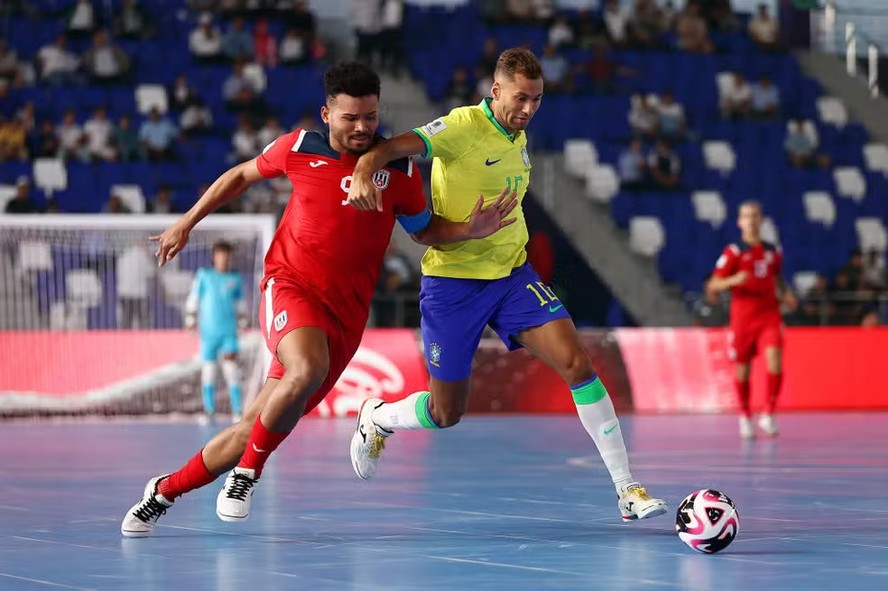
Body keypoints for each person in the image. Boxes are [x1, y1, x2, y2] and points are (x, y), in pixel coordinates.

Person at [120, 61, 517, 537]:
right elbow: (241, 175)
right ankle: (247, 475)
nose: (362, 127)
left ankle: (162, 492)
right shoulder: (298, 147)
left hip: (346, 318)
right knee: (304, 371)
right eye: (350, 117)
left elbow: (422, 231)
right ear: (326, 114)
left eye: (370, 117)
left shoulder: (400, 171)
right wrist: (187, 221)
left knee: (253, 428)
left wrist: (466, 230)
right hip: (290, 286)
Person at [345, 47, 668, 522]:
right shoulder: (460, 128)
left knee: (578, 363)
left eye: (537, 100)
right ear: (496, 92)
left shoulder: (518, 135)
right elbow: (388, 148)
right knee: (445, 412)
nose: (529, 109)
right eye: (521, 99)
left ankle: (627, 490)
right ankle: (378, 418)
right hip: (453, 284)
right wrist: (359, 174)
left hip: (513, 277)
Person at [707, 201, 797, 440]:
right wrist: (734, 280)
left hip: (769, 313)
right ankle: (745, 415)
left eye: (755, 215)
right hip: (744, 317)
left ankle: (768, 413)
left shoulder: (772, 250)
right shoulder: (734, 251)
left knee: (775, 359)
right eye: (747, 216)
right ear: (740, 222)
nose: (752, 220)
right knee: (743, 369)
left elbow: (777, 276)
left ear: (761, 220)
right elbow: (713, 284)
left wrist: (786, 293)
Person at [185, 240, 247, 424]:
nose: (223, 258)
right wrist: (190, 318)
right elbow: (194, 298)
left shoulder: (235, 279)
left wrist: (242, 318)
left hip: (228, 332)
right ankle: (209, 411)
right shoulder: (204, 276)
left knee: (231, 371)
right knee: (209, 372)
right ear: (214, 257)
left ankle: (237, 411)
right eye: (220, 254)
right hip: (208, 333)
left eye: (226, 255)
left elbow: (240, 302)